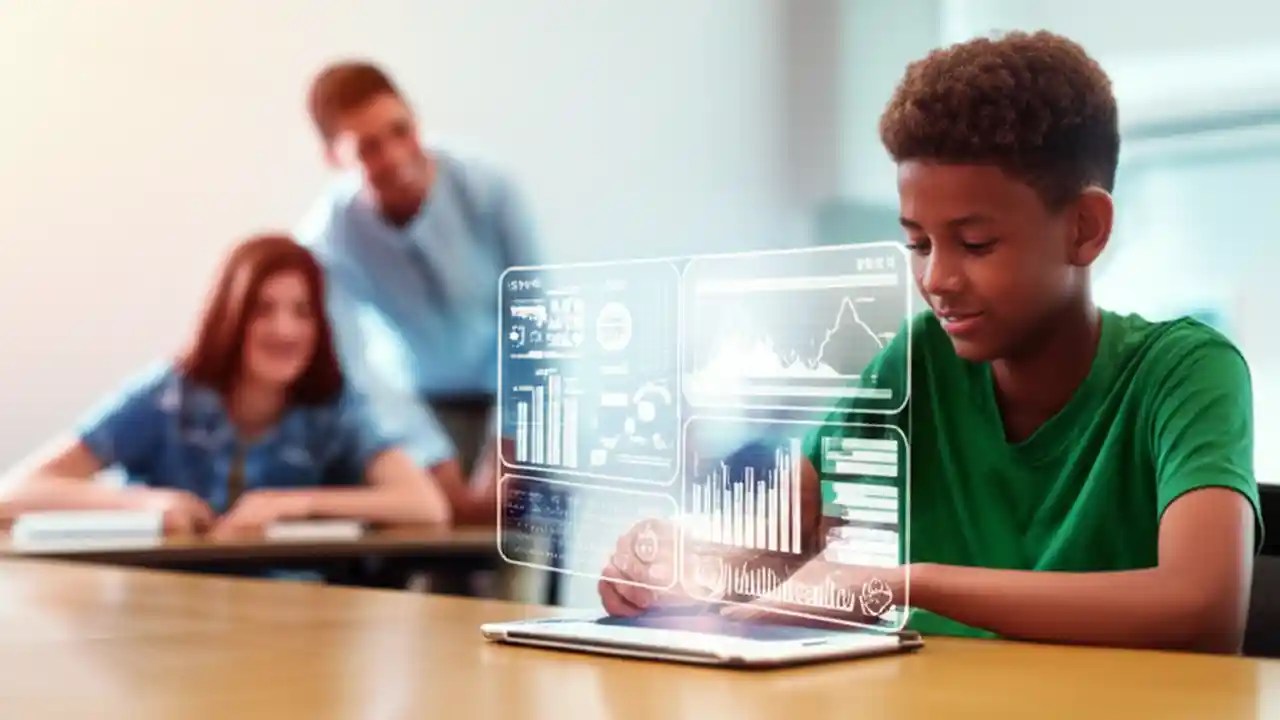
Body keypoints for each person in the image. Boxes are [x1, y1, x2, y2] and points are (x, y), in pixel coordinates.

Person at [598, 30, 1260, 654]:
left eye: (976, 244)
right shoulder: (917, 359)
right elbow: (779, 542)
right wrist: (680, 559)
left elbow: (1202, 609)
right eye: (917, 243)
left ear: (1084, 229)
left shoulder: (1188, 370)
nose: (936, 278)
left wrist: (910, 583)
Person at [0, 235, 452, 535]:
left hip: (295, 622)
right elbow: (14, 493)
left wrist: (291, 504)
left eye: (302, 311)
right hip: (166, 618)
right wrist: (140, 503)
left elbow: (424, 505)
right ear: (231, 316)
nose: (285, 330)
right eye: (262, 309)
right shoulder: (168, 396)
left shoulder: (331, 406)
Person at [295, 60, 536, 526]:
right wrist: (431, 462)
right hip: (420, 412)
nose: (395, 156)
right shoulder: (327, 241)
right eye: (367, 148)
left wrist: (510, 451)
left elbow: (538, 330)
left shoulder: (491, 190)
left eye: (400, 130)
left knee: (517, 561)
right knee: (429, 552)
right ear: (333, 159)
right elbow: (358, 369)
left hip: (520, 406)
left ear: (415, 119)